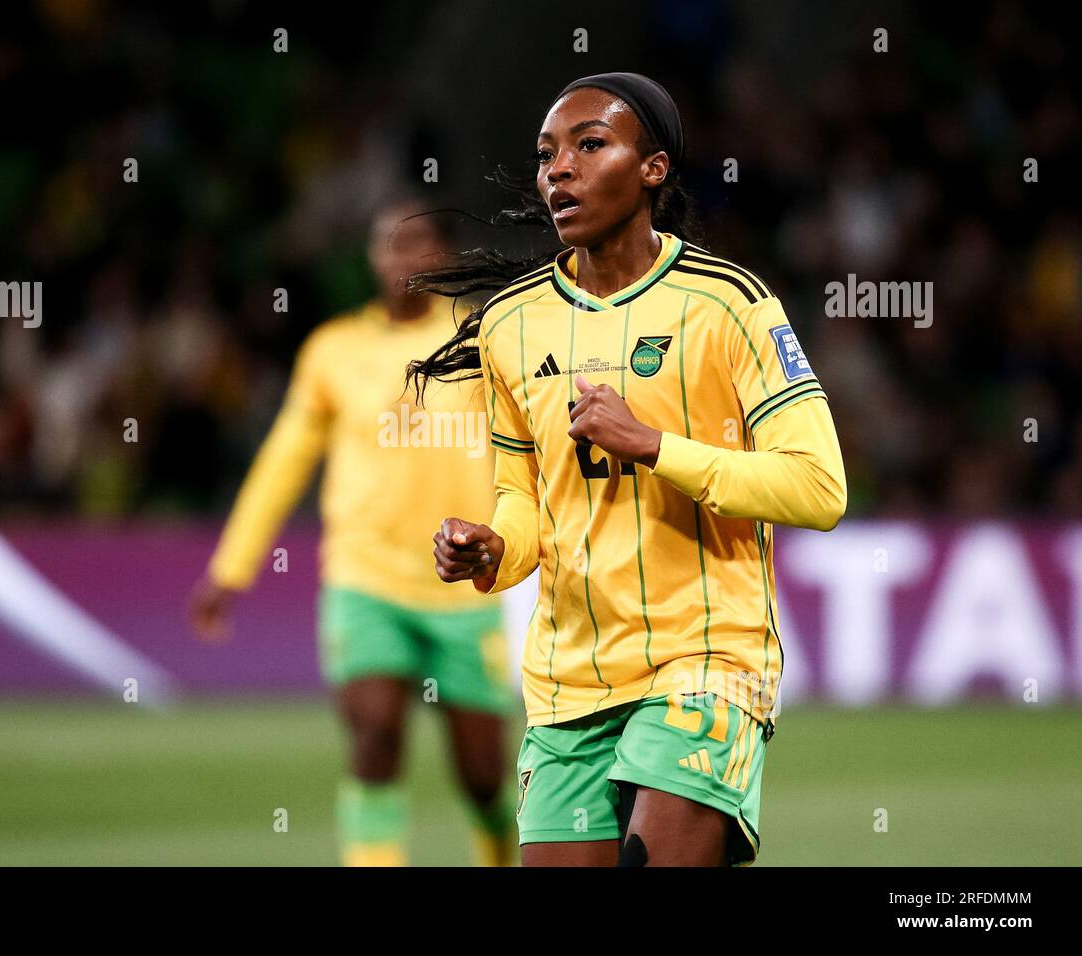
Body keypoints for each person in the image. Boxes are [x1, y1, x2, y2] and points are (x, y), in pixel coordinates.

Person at [408, 73, 847, 866]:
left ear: (653, 169)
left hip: (705, 662)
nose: (559, 169)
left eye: (589, 145)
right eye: (547, 154)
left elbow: (818, 488)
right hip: (567, 681)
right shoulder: (509, 325)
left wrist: (653, 445)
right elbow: (523, 503)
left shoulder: (729, 304)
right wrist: (494, 549)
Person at [189, 197, 518, 866]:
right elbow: (284, 460)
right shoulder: (333, 351)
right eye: (387, 244)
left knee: (483, 777)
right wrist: (232, 568)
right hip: (366, 580)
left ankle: (498, 850)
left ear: (444, 255)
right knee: (374, 734)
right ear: (369, 256)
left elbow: (528, 451)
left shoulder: (485, 341)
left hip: (466, 586)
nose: (400, 258)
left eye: (416, 243)